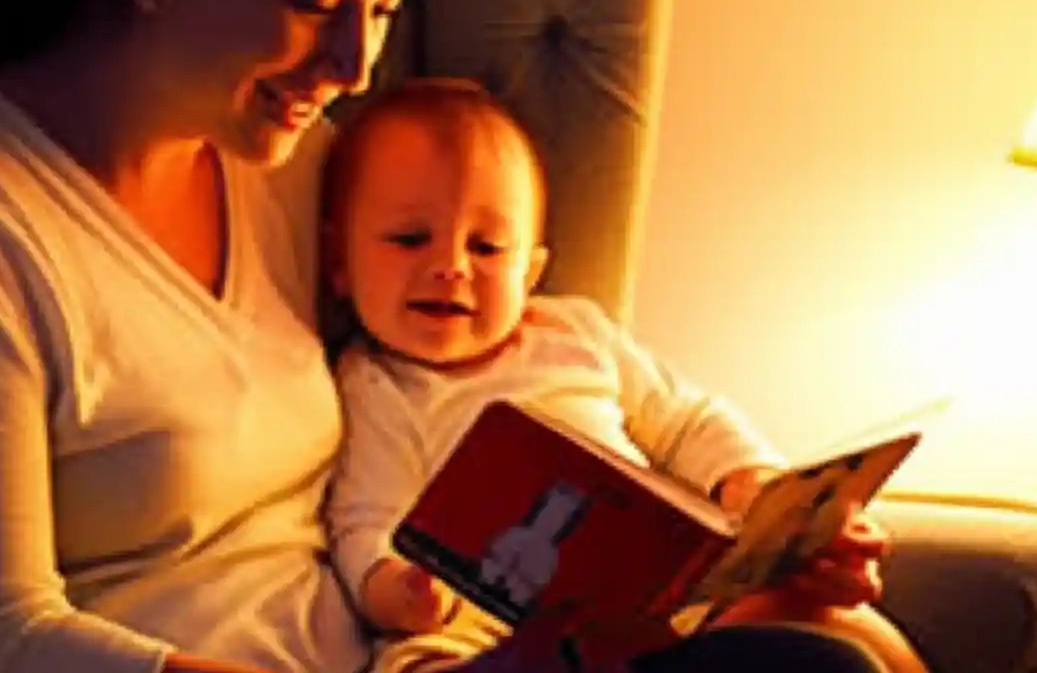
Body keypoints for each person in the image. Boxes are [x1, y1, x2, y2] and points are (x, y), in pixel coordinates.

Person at [0, 0, 910, 673]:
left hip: (410, 649)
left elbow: (486, 388)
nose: (352, 65)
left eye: (384, 11)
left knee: (827, 639)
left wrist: (732, 552)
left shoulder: (289, 164)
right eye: (315, 4)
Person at [321, 79, 927, 672]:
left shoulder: (574, 334)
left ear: (531, 273)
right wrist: (398, 589)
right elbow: (363, 521)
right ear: (340, 265)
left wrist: (749, 482)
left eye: (487, 247)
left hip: (651, 610)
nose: (451, 267)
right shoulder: (377, 385)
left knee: (841, 621)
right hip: (478, 634)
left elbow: (688, 420)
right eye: (408, 239)